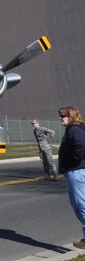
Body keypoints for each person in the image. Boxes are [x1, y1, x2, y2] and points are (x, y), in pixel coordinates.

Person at [58, 106, 85, 249]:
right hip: (77, 171)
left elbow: (81, 147)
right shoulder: (76, 129)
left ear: (71, 116)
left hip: (76, 172)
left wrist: (72, 162)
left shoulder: (74, 130)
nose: (60, 118)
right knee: (80, 204)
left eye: (63, 116)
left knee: (81, 205)